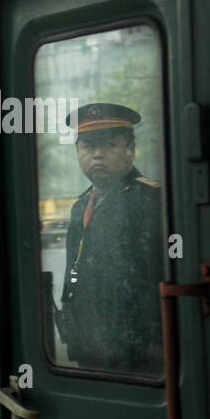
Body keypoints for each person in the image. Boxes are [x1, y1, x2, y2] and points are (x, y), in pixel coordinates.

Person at [57, 103, 164, 373]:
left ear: (131, 150)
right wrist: (71, 322)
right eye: (87, 147)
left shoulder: (150, 199)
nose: (97, 155)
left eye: (110, 145)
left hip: (139, 349)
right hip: (90, 344)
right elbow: (74, 269)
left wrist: (156, 342)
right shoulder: (81, 205)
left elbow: (157, 276)